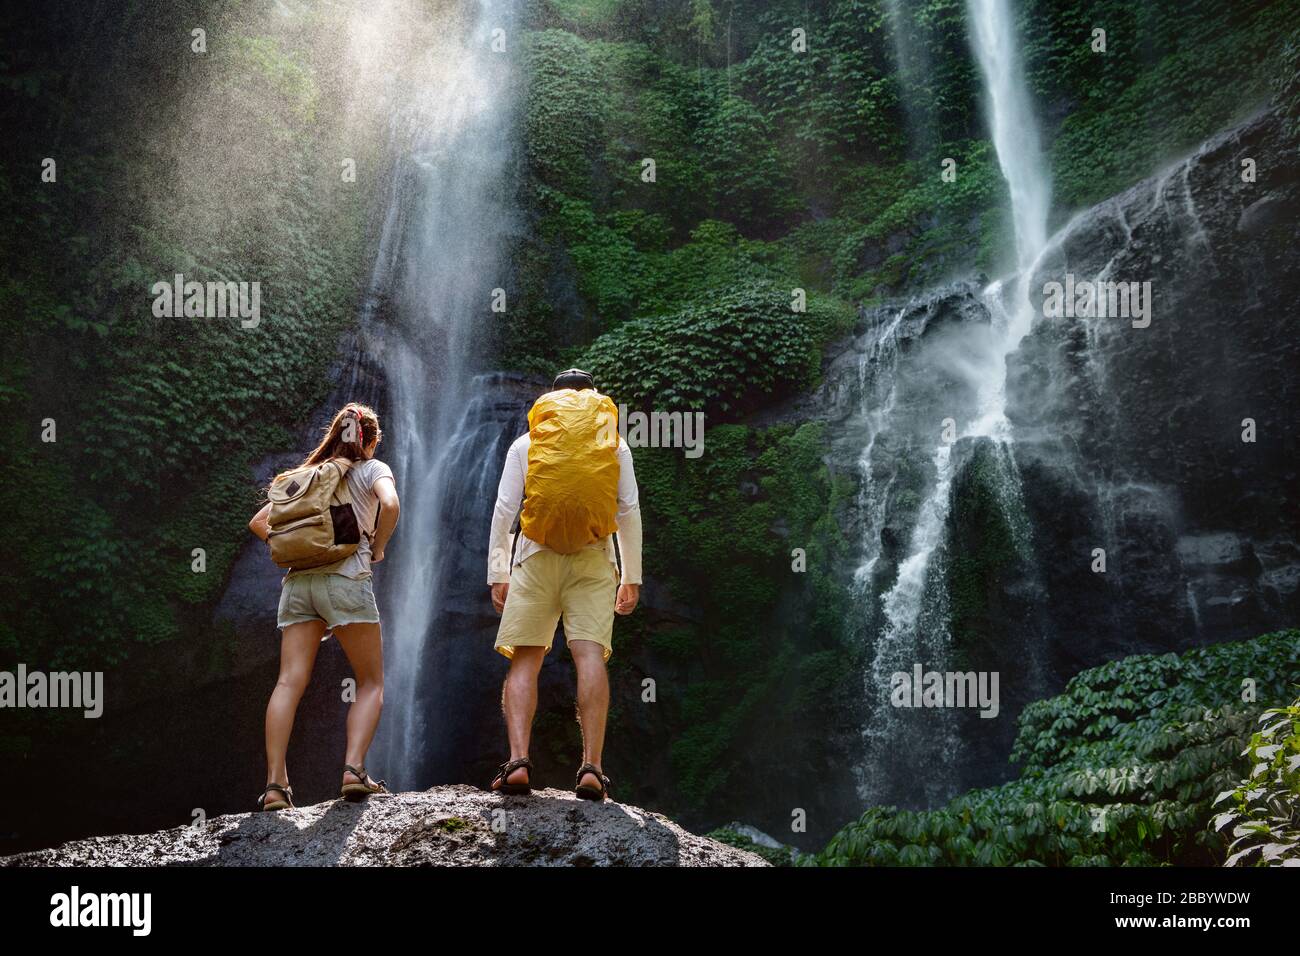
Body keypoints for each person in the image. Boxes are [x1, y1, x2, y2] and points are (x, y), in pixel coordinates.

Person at [486, 369, 642, 801]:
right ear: (593, 401)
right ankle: (591, 768)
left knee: (525, 659)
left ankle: (518, 763)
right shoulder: (613, 442)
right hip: (594, 558)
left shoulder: (530, 441)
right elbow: (628, 509)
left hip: (535, 556)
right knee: (589, 654)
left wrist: (497, 571)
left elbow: (504, 508)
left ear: (551, 401)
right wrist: (632, 576)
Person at [247, 403, 399, 811]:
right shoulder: (372, 469)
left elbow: (260, 521)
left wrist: (300, 548)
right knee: (370, 682)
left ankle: (275, 787)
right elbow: (391, 505)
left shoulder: (306, 476)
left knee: (288, 682)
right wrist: (378, 548)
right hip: (346, 579)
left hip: (298, 584)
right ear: (369, 440)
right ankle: (353, 771)